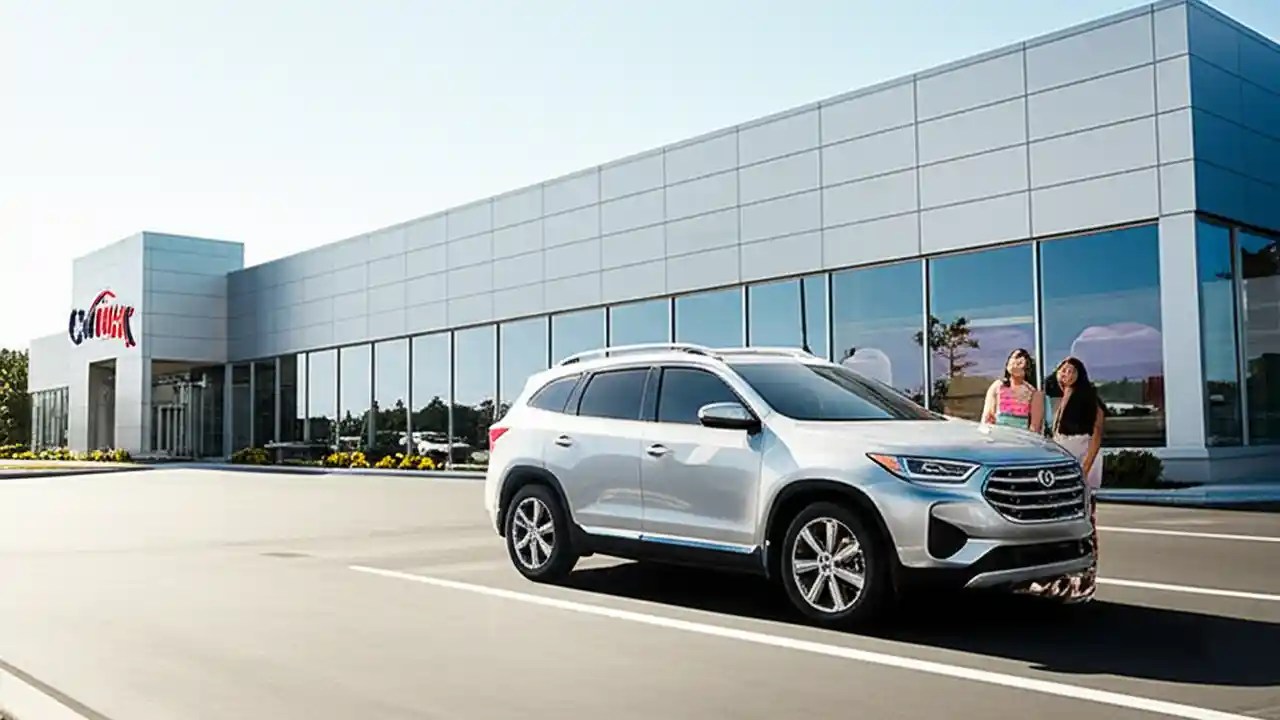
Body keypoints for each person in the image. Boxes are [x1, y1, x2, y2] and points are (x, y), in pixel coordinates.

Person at [1048, 355, 1106, 600]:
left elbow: (1096, 434)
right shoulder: (1061, 399)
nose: (1066, 374)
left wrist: (1085, 467)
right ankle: (1061, 578)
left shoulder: (1089, 398)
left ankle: (1087, 577)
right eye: (1063, 370)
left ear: (1080, 374)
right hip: (1065, 460)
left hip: (1081, 460)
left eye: (1071, 371)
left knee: (1085, 520)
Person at [981, 348, 1044, 434]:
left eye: (1020, 359)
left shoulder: (1033, 393)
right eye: (1013, 358)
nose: (1015, 361)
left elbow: (1034, 428)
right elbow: (987, 418)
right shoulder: (997, 386)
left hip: (1022, 440)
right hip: (998, 437)